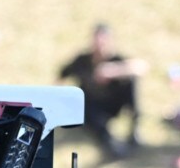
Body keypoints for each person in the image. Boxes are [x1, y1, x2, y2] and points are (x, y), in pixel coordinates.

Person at [58, 23, 147, 157]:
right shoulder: (82, 61)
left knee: (131, 81)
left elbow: (140, 67)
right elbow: (62, 74)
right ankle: (110, 143)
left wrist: (112, 71)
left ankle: (135, 130)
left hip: (113, 105)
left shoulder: (116, 60)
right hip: (91, 108)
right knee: (86, 106)